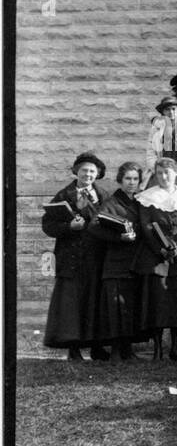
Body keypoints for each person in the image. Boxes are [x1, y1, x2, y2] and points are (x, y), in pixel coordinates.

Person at [43, 151, 112, 361]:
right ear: (76, 172)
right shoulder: (64, 195)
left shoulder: (104, 195)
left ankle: (96, 347)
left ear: (97, 174)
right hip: (71, 258)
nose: (88, 174)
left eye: (92, 171)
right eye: (84, 170)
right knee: (72, 304)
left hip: (97, 257)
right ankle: (73, 348)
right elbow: (48, 225)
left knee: (95, 301)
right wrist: (69, 226)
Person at [133, 156, 177, 361]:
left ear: (176, 174)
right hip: (155, 256)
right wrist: (160, 249)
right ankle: (157, 349)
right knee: (158, 303)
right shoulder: (146, 197)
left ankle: (175, 348)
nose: (164, 177)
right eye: (160, 173)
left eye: (167, 172)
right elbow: (145, 226)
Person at [89, 160, 146, 361]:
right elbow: (94, 227)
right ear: (120, 181)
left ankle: (127, 349)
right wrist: (118, 237)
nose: (131, 183)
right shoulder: (112, 202)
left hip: (135, 262)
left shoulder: (141, 202)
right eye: (127, 179)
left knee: (130, 305)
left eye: (135, 179)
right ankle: (114, 349)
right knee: (114, 307)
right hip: (115, 262)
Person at [146, 95, 177, 189]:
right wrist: (156, 169)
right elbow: (150, 153)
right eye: (167, 110)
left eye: (174, 109)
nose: (171, 112)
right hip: (160, 170)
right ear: (163, 113)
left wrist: (176, 170)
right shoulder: (155, 129)